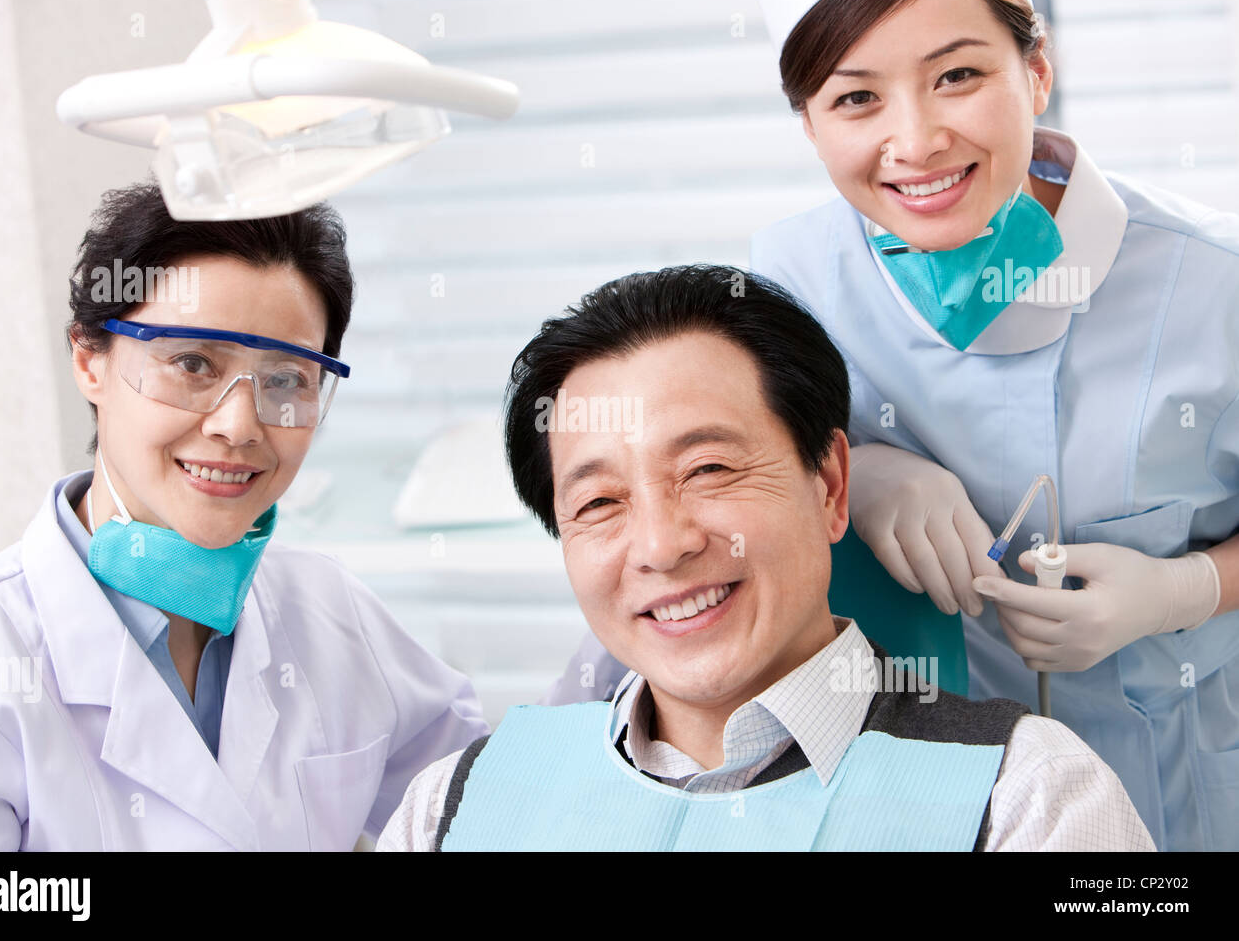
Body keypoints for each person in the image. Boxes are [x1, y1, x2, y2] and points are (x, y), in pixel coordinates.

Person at [377, 264, 1153, 851]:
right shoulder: (456, 803)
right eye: (599, 503)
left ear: (831, 486)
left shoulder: (1032, 794)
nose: (661, 545)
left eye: (708, 470)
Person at [747, 0, 1239, 851]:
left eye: (958, 75)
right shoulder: (787, 278)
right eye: (857, 96)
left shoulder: (1213, 283)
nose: (916, 141)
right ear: (810, 125)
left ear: (1037, 71)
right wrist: (853, 471)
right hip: (928, 802)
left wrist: (1182, 591)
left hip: (1180, 792)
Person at [0, 181, 489, 850]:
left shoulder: (329, 612)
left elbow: (488, 804)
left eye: (286, 379)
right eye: (193, 363)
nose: (238, 425)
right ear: (90, 360)